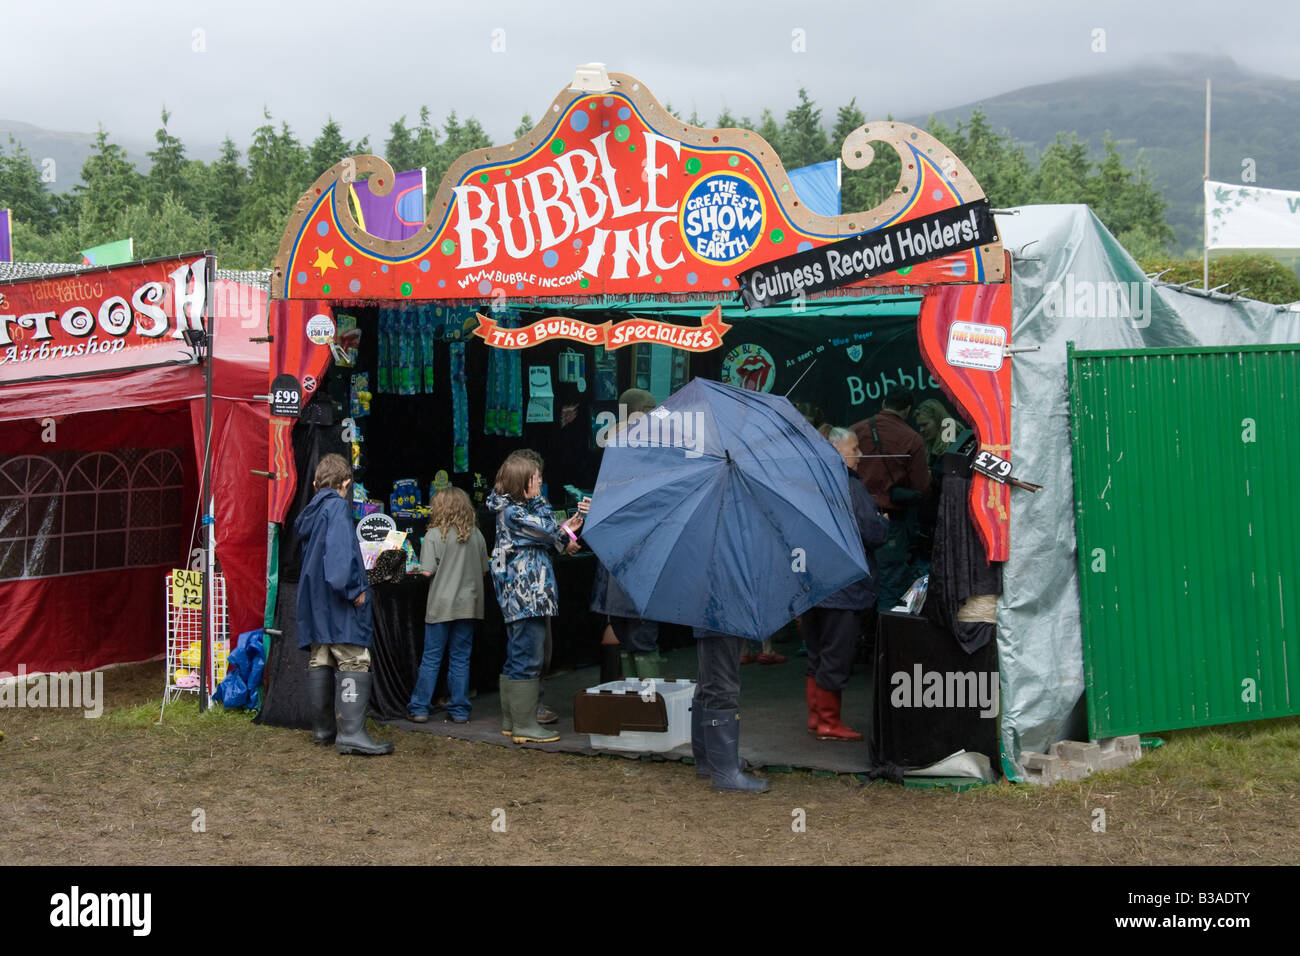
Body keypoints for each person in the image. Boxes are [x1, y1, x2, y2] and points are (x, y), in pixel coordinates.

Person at [295, 453, 393, 756]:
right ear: (347, 482)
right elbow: (338, 558)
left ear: (315, 483)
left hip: (315, 603)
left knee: (321, 658)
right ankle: (351, 734)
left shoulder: (311, 511)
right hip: (337, 602)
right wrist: (352, 589)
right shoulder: (337, 507)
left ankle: (324, 730)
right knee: (354, 659)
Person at [488, 451, 586, 744]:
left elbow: (550, 535)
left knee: (518, 655)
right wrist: (551, 515)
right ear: (522, 484)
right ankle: (525, 725)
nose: (541, 482)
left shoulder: (511, 509)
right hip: (526, 595)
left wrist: (564, 532)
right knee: (528, 657)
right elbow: (547, 528)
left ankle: (512, 720)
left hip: (524, 594)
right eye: (536, 478)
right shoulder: (515, 511)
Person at [803, 427, 889, 740]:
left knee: (816, 653)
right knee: (836, 655)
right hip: (844, 586)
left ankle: (817, 718)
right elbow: (873, 533)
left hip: (811, 583)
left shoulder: (806, 482)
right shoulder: (850, 487)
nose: (860, 454)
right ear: (838, 452)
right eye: (855, 449)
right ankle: (828, 722)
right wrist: (883, 523)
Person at [592, 387, 665, 680]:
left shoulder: (615, 448)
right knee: (641, 637)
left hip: (617, 560)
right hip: (639, 559)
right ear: (640, 413)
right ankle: (646, 707)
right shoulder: (644, 448)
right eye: (650, 410)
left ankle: (633, 705)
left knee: (629, 636)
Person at [406, 487, 489, 724]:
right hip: (469, 605)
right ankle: (460, 710)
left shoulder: (434, 535)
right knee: (461, 658)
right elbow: (485, 570)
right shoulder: (477, 535)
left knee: (432, 657)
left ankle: (420, 707)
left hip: (441, 605)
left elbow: (426, 571)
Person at [851, 387, 931, 611]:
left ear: (884, 402)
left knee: (855, 582)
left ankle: (859, 641)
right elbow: (922, 486)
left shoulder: (856, 430)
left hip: (854, 517)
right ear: (907, 409)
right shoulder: (912, 439)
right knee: (890, 584)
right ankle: (884, 642)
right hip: (891, 521)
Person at [690, 628, 769, 793]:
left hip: (717, 619)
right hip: (721, 619)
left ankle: (710, 762)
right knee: (720, 685)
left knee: (709, 682)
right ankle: (725, 772)